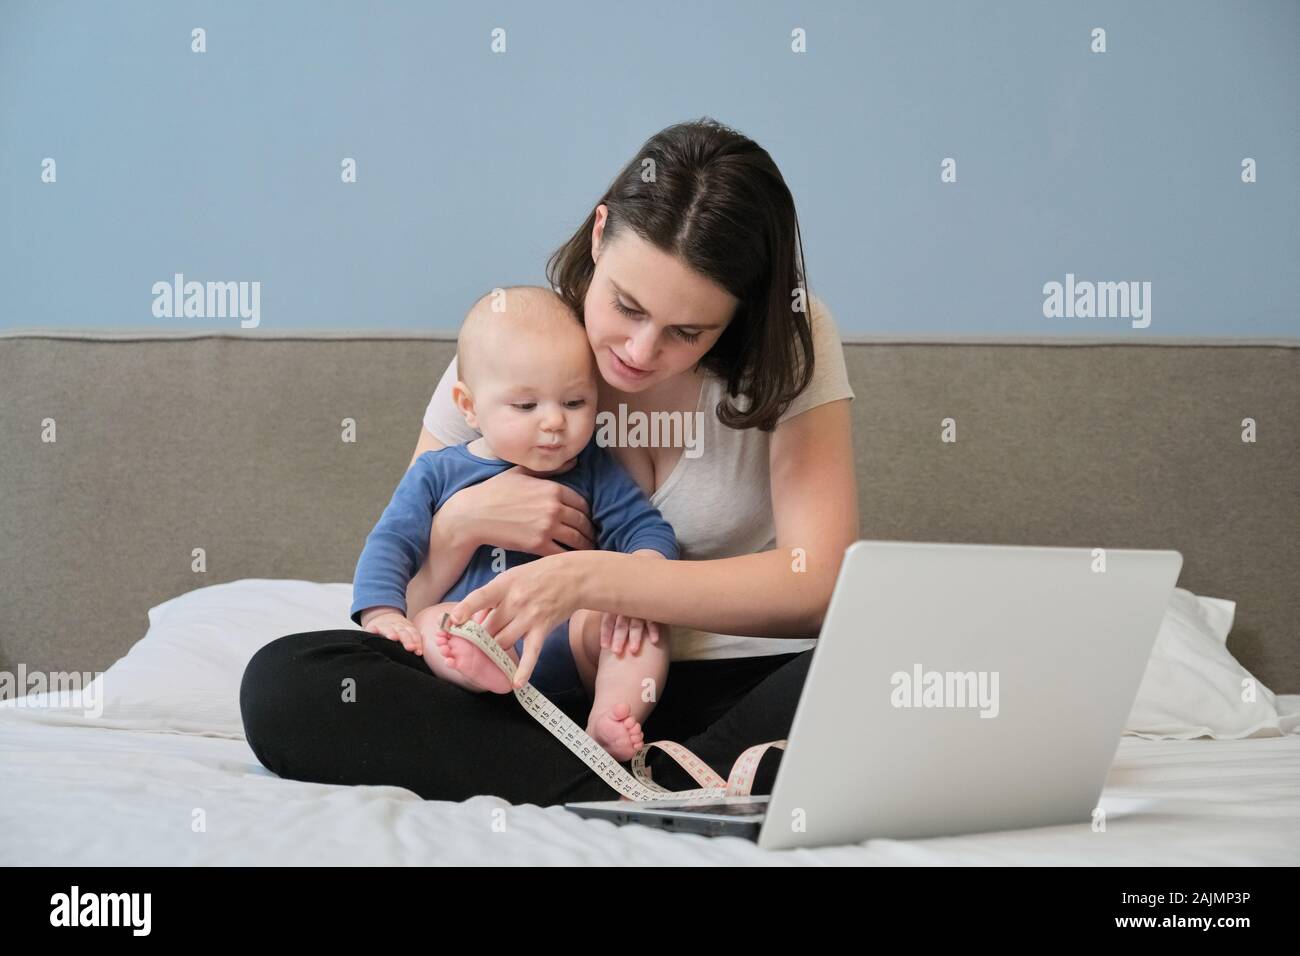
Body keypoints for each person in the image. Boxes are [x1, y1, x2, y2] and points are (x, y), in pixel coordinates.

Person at [239, 116, 859, 806]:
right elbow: (409, 593)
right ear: (599, 235)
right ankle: (645, 787)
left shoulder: (792, 346)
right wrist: (460, 525)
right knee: (285, 681)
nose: (640, 351)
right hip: (521, 693)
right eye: (626, 305)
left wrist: (594, 580)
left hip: (728, 686)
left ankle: (660, 771)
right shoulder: (512, 348)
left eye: (688, 332)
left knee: (894, 653)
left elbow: (820, 587)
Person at [351, 284, 680, 761]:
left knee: (642, 624)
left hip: (569, 641)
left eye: (574, 403)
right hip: (479, 630)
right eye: (526, 407)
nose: (553, 423)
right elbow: (390, 542)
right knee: (434, 622)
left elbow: (646, 529)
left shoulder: (593, 470)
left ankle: (610, 716)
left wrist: (643, 572)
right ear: (468, 406)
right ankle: (480, 670)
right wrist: (383, 613)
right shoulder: (438, 472)